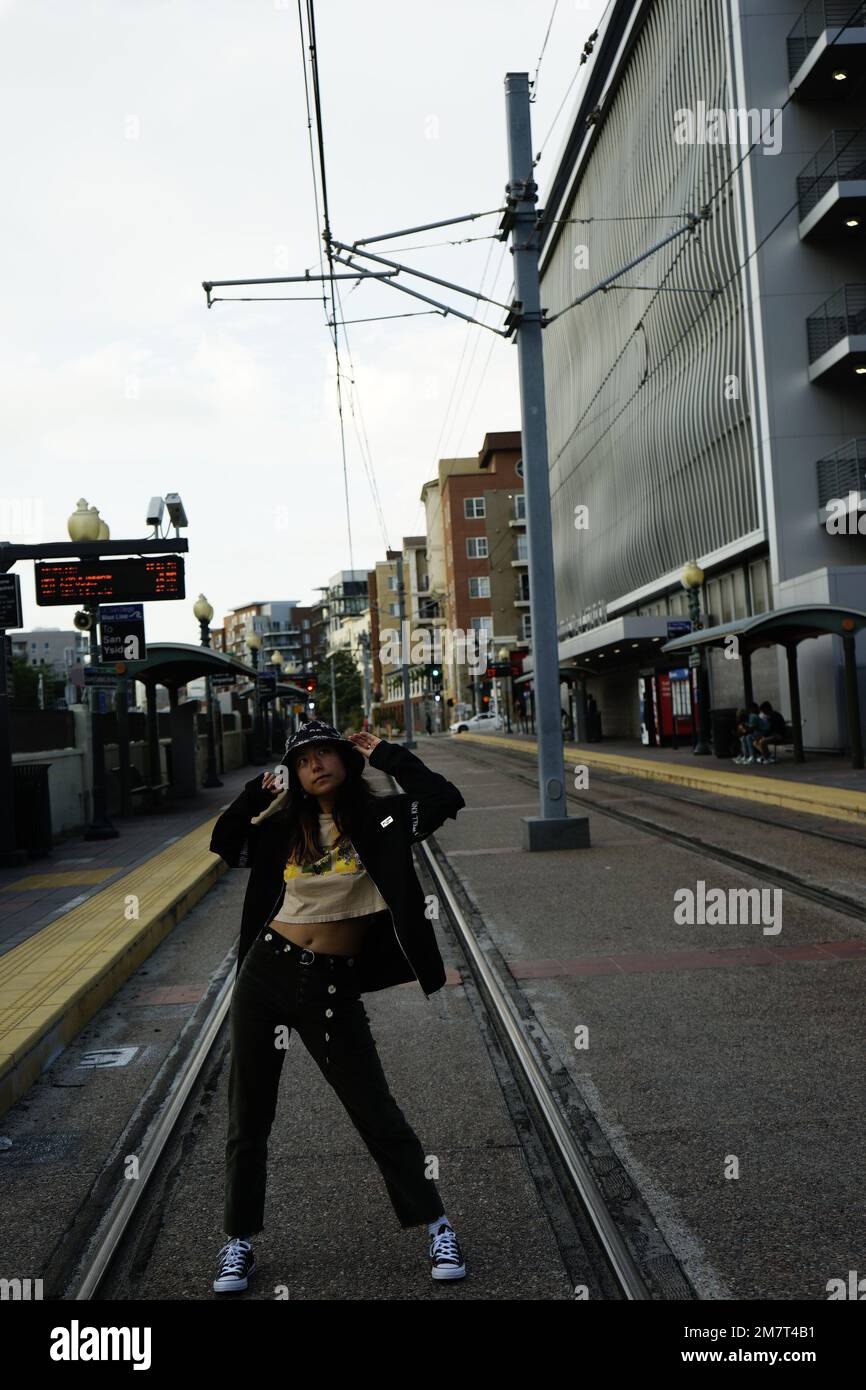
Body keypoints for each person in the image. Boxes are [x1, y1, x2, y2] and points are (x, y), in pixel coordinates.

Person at [208, 719, 467, 1292]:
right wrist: (258, 791)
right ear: (295, 774)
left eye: (326, 754)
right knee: (249, 1114)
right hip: (265, 973)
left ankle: (437, 1225)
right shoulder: (281, 829)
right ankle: (239, 1241)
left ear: (347, 763)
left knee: (374, 1109)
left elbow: (445, 797)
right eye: (304, 760)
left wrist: (391, 755)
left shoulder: (388, 821)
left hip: (330, 984)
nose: (316, 765)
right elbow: (224, 843)